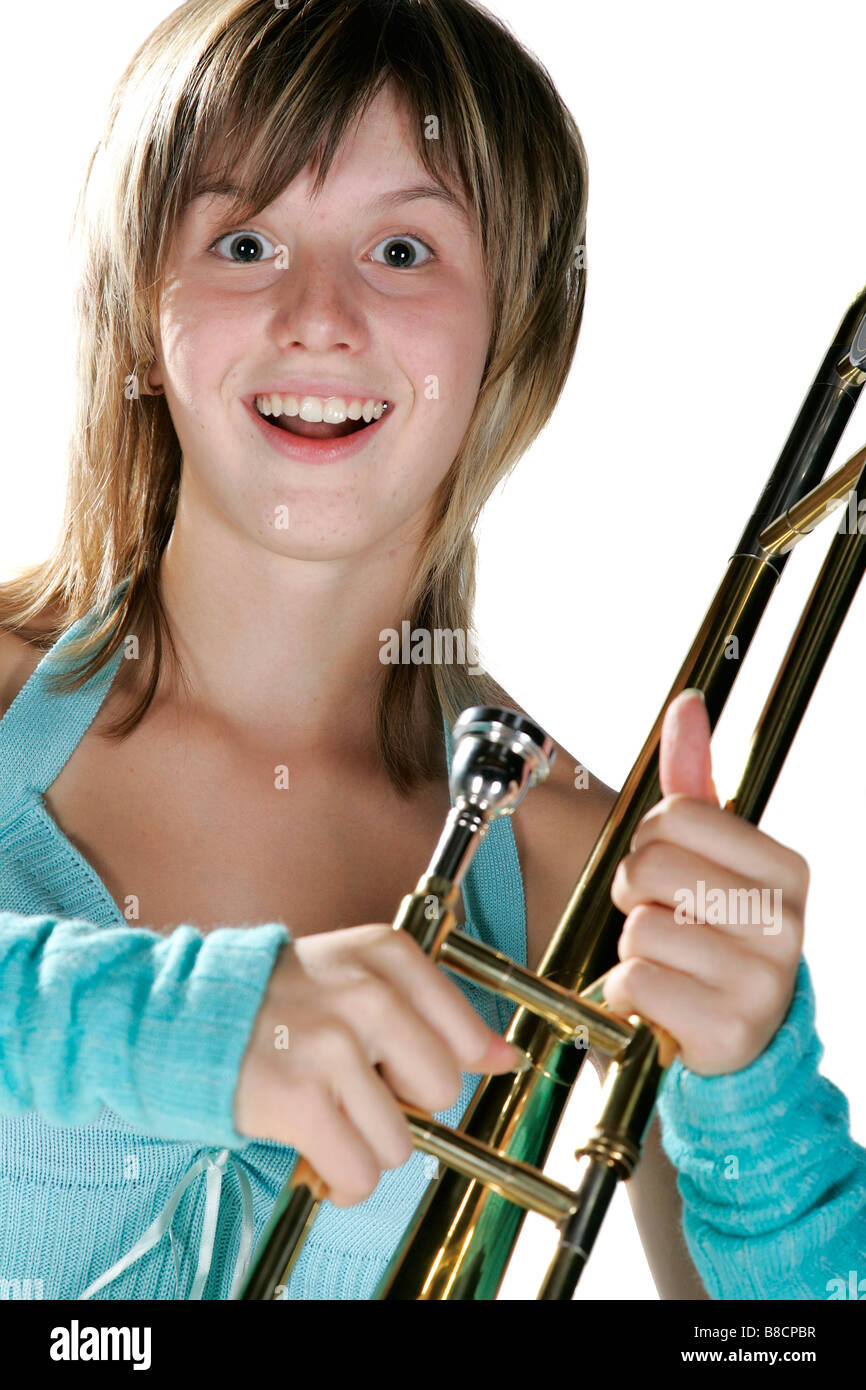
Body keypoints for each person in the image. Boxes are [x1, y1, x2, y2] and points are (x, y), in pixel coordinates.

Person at [0, 0, 861, 1302]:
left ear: (511, 334)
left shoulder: (591, 869)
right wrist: (197, 1027)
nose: (321, 315)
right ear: (140, 306)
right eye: (244, 241)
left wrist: (753, 1103)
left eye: (402, 249)